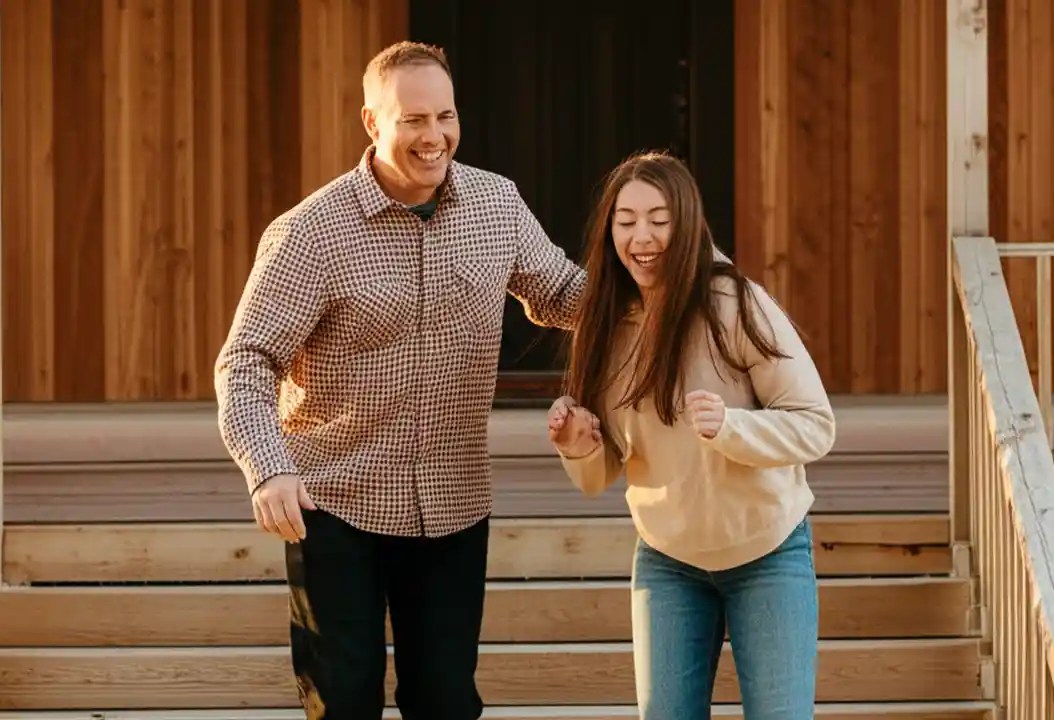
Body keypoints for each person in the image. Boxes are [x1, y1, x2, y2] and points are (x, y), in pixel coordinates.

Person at [214, 41, 584, 719]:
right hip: (333, 504)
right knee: (346, 700)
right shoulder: (311, 232)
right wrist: (267, 471)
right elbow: (247, 361)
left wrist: (660, 283)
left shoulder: (497, 206)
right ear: (371, 122)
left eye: (445, 116)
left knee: (444, 701)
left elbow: (562, 294)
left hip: (453, 503)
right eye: (413, 119)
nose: (433, 136)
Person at [546, 151, 835, 720]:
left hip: (767, 551)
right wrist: (579, 445)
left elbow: (815, 424)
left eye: (659, 218)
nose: (642, 236)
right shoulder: (603, 324)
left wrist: (732, 427)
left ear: (687, 222)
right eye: (625, 222)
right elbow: (603, 472)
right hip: (667, 559)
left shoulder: (736, 303)